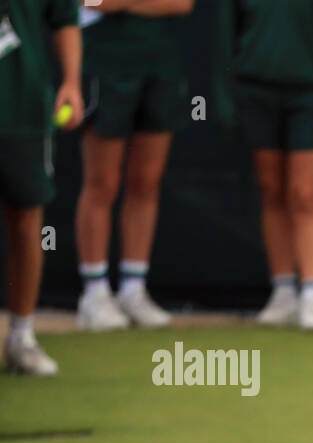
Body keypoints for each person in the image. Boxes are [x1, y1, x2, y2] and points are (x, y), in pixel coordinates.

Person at [215, 0, 313, 333]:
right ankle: (283, 291)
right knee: (272, 190)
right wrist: (224, 94)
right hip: (254, 88)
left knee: (307, 194)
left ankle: (312, 294)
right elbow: (224, 34)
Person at [74, 0, 194, 332]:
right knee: (103, 182)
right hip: (104, 60)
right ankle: (95, 293)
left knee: (146, 180)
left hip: (160, 62)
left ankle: (132, 288)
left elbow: (181, 4)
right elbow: (94, 2)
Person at [0, 0, 81, 376]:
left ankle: (22, 337)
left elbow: (64, 17)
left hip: (25, 107)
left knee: (26, 221)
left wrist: (72, 82)